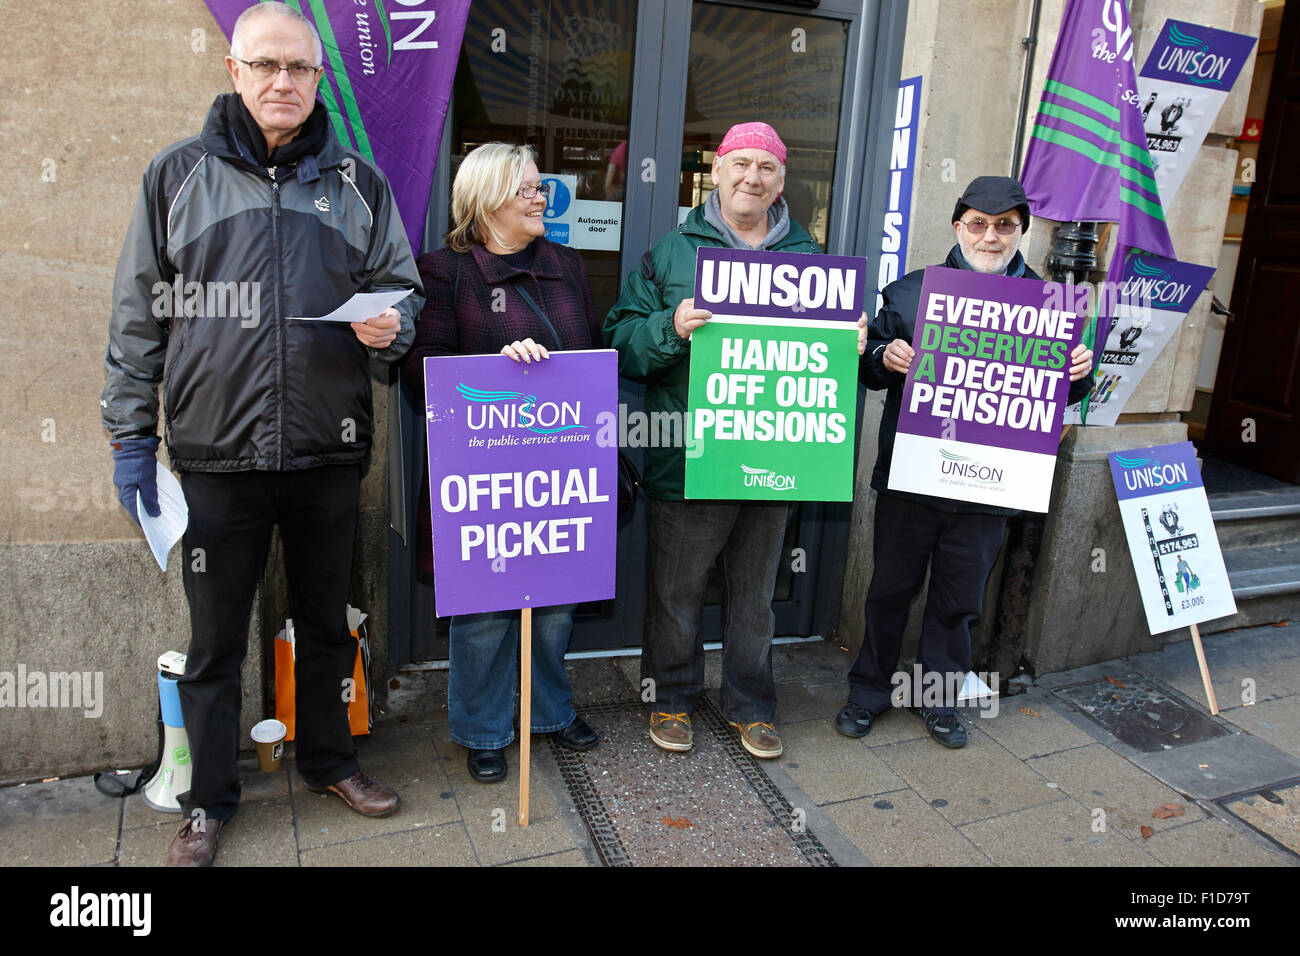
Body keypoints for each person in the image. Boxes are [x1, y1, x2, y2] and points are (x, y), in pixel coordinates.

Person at [102, 2, 424, 865]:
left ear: (320, 79)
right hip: (215, 457)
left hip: (327, 451)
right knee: (214, 643)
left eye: (300, 69)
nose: (283, 82)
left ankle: (328, 761)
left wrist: (396, 327)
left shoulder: (359, 183)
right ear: (235, 71)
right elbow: (138, 319)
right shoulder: (175, 178)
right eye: (265, 66)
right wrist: (131, 440)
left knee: (327, 622)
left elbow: (403, 289)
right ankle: (208, 801)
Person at [604, 122, 842, 759]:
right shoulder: (673, 251)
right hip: (689, 455)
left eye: (766, 167)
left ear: (781, 181)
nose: (751, 177)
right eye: (740, 163)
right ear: (718, 171)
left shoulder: (812, 261)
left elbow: (831, 363)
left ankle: (752, 705)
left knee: (755, 595)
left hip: (774, 453)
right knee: (675, 592)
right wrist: (669, 327)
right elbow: (619, 342)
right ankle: (673, 699)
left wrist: (853, 341)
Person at [836, 175, 1093, 749]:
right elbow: (867, 365)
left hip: (991, 487)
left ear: (1021, 231)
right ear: (958, 226)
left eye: (1005, 225)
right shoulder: (909, 292)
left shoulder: (1052, 306)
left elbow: (1063, 394)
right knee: (888, 593)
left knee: (958, 603)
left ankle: (938, 699)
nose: (991, 235)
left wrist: (1079, 373)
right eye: (978, 222)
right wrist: (883, 354)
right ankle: (868, 692)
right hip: (912, 476)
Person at [400, 143, 601, 784]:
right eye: (529, 190)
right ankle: (483, 728)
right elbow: (420, 368)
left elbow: (589, 353)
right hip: (485, 475)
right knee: (485, 608)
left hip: (558, 468)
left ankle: (548, 711)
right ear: (488, 199)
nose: (543, 198)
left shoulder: (567, 265)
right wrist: (494, 365)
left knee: (555, 601)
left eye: (541, 188)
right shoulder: (444, 272)